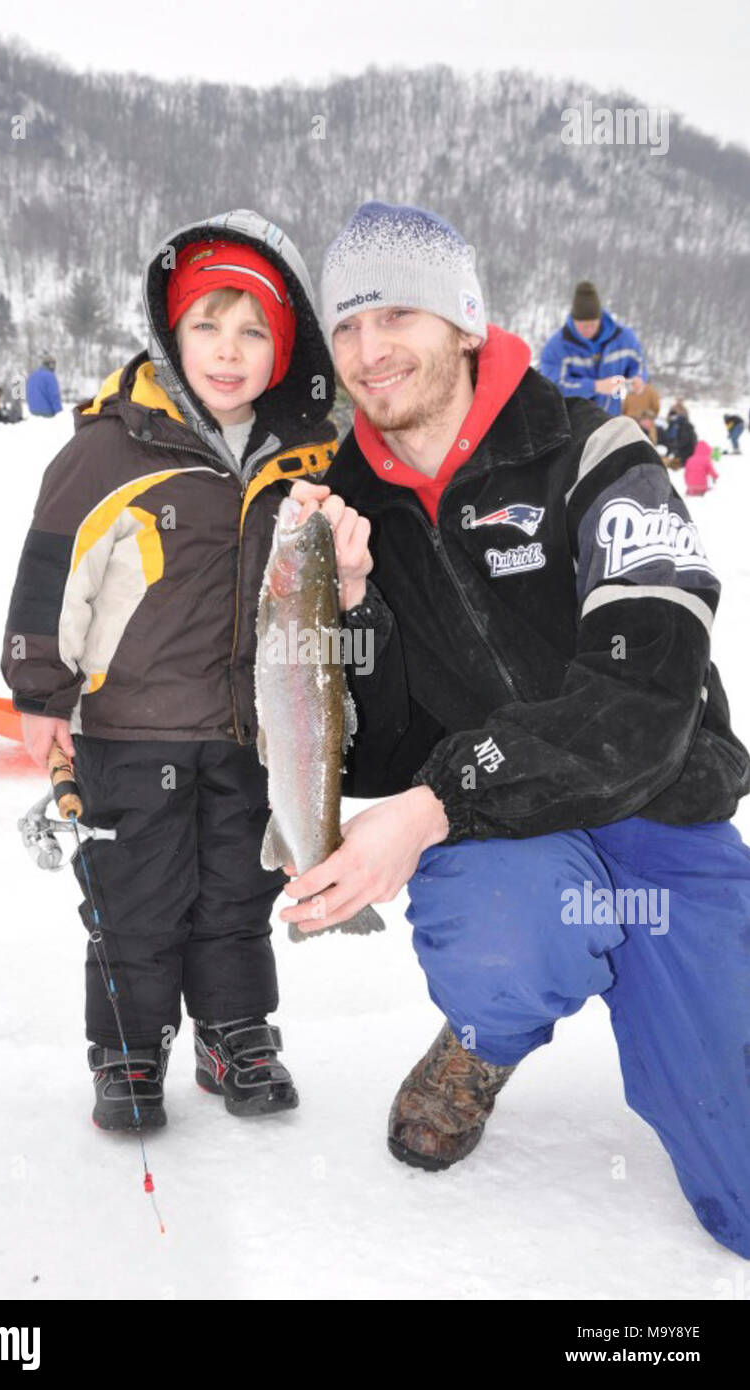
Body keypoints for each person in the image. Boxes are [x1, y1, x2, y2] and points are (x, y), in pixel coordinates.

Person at [283, 200, 750, 1259]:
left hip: (660, 806)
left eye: (395, 313)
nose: (367, 350)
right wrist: (349, 611)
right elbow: (376, 755)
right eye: (345, 325)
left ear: (463, 322)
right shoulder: (345, 499)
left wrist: (442, 802)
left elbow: (646, 694)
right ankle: (485, 1035)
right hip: (513, 841)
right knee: (507, 941)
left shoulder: (592, 451)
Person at [1, 210, 337, 1132]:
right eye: (207, 327)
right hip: (130, 729)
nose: (228, 353)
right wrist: (39, 690)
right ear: (171, 332)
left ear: (283, 347)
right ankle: (127, 1045)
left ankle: (235, 1030)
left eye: (253, 332)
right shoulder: (113, 447)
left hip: (247, 731)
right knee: (136, 899)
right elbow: (48, 575)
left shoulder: (304, 461)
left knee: (236, 893)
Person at [539, 280, 648, 416]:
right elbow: (553, 387)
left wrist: (638, 379)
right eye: (583, 325)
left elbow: (638, 363)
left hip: (612, 417)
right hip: (573, 421)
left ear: (600, 319)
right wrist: (595, 386)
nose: (588, 329)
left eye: (592, 324)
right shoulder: (557, 347)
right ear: (574, 320)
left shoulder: (625, 338)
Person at [658, 400, 697, 470]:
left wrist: (674, 450)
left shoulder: (683, 426)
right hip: (677, 451)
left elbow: (683, 442)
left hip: (685, 454)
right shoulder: (671, 424)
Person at [25, 353, 63, 417]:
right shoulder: (50, 376)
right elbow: (54, 395)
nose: (54, 367)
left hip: (33, 412)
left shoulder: (32, 375)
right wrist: (59, 412)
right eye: (53, 364)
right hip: (46, 413)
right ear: (49, 364)